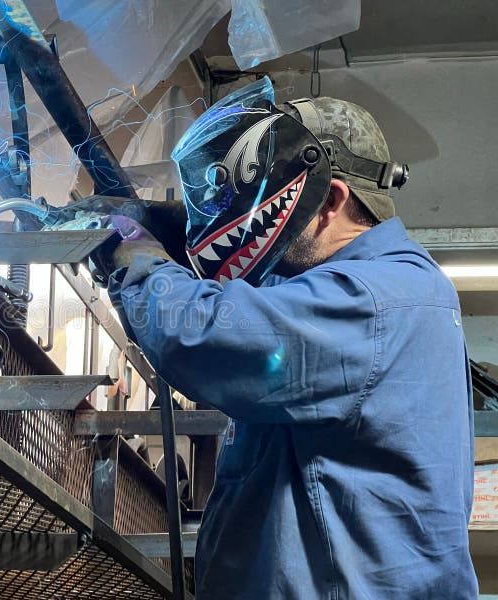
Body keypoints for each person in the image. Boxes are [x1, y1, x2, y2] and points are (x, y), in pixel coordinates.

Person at [91, 77, 478, 599]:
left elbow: (200, 336)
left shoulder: (377, 298)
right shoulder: (356, 290)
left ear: (331, 200)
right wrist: (179, 231)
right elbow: (248, 297)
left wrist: (139, 259)